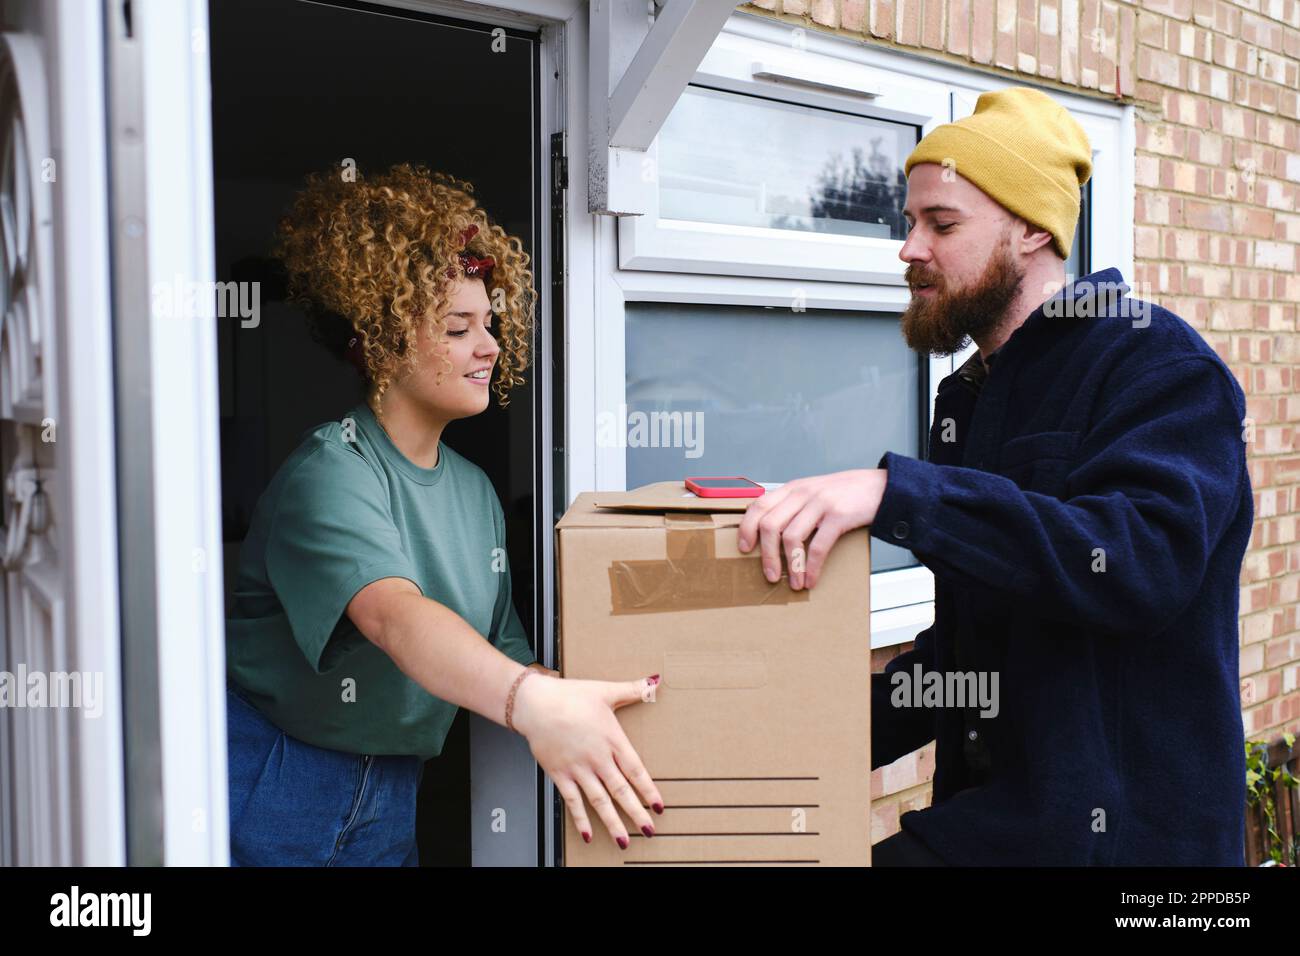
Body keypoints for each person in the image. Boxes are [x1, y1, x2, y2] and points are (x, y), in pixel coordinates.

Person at [737, 87, 1253, 866]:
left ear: (1032, 230)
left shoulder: (1156, 365)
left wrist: (895, 493)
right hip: (991, 826)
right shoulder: (971, 395)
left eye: (941, 224)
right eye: (910, 223)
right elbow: (969, 659)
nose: (910, 248)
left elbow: (1140, 561)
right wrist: (775, 742)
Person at [225, 162, 662, 866]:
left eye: (489, 323)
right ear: (380, 339)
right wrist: (530, 705)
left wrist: (590, 700)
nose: (490, 346)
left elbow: (504, 651)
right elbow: (397, 617)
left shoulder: (474, 491)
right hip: (279, 774)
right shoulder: (330, 471)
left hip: (394, 784)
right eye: (459, 328)